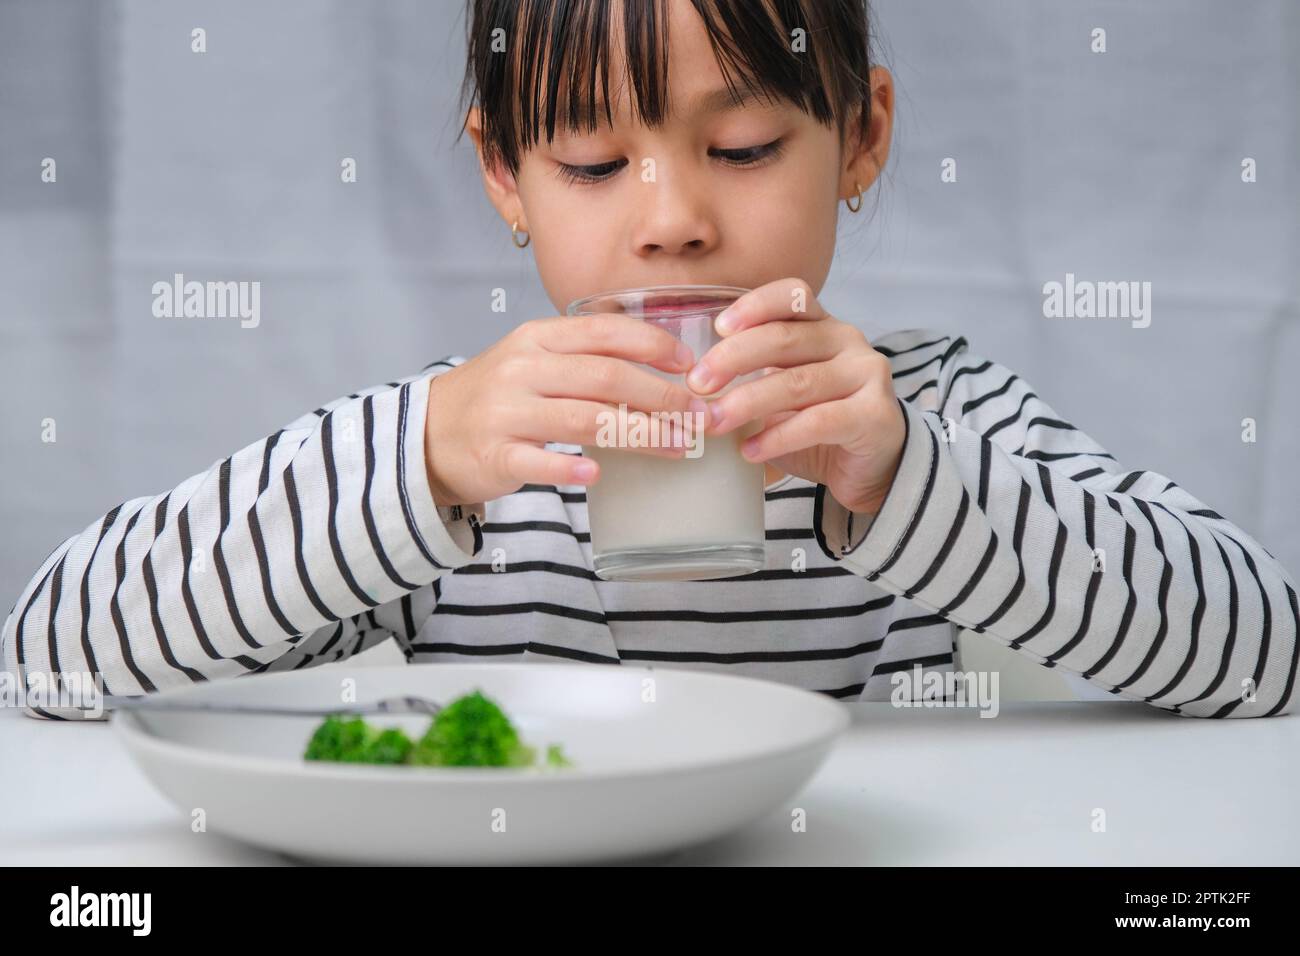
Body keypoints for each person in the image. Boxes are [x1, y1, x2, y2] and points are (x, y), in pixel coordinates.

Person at [4, 0, 1295, 720]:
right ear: (506, 177)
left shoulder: (927, 418)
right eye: (589, 163)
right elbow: (49, 658)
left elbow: (1265, 657)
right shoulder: (464, 447)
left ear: (861, 138)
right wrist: (424, 462)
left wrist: (912, 480)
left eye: (742, 150)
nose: (672, 215)